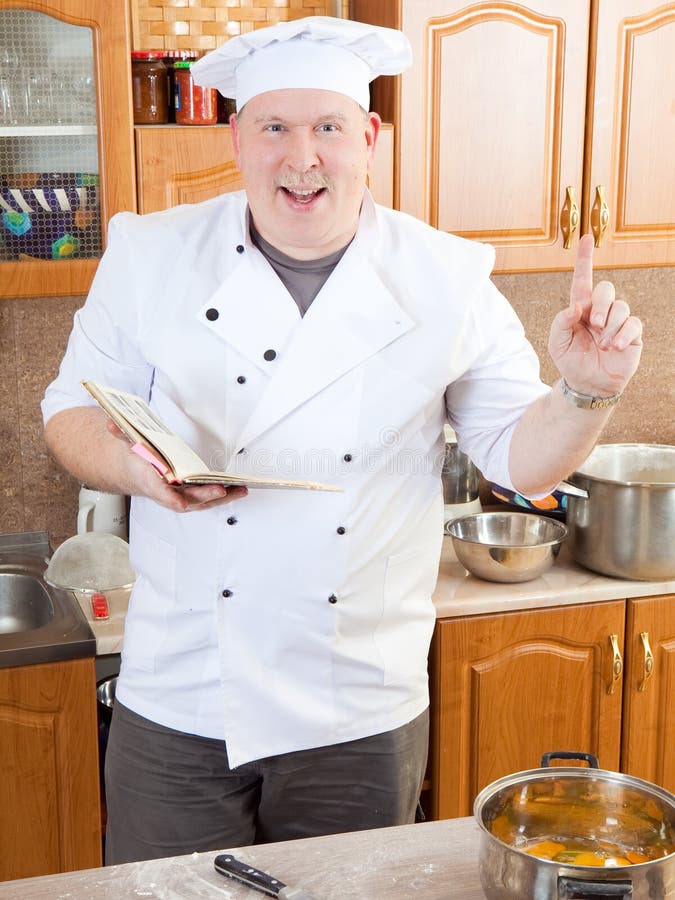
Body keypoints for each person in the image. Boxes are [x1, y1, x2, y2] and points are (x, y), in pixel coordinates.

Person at [42, 16, 642, 865]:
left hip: (359, 704)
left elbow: (518, 459)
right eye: (273, 128)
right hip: (180, 688)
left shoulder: (445, 277)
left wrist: (586, 390)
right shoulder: (151, 254)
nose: (302, 158)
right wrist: (138, 474)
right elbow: (69, 413)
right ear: (236, 140)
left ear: (369, 139)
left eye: (327, 126)